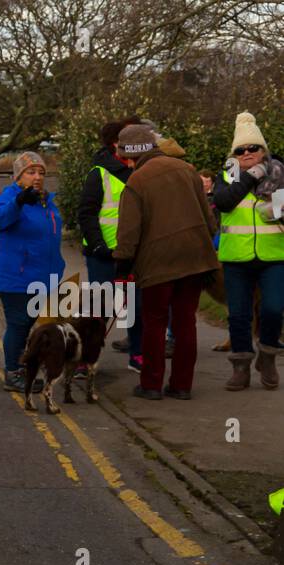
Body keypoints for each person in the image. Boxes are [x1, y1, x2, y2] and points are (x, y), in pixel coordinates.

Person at [111, 123, 219, 400]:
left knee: (155, 323)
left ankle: (152, 384)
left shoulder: (137, 180)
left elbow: (129, 231)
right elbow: (210, 222)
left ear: (126, 155)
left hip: (158, 264)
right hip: (195, 259)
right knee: (185, 323)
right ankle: (182, 385)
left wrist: (122, 263)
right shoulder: (187, 170)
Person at [210, 111, 284, 390]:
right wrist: (251, 177)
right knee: (238, 314)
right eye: (241, 150)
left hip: (274, 255)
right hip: (236, 256)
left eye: (253, 148)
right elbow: (224, 202)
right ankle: (241, 366)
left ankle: (267, 357)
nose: (247, 153)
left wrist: (278, 209)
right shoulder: (229, 174)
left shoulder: (279, 173)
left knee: (274, 309)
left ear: (263, 149)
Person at [0, 151, 65, 392]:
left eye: (41, 172)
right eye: (30, 172)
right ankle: (13, 372)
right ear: (18, 176)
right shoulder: (11, 198)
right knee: (19, 324)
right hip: (16, 277)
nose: (37, 177)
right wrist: (19, 202)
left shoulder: (45, 201)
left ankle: (24, 366)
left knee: (31, 324)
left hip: (44, 276)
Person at [80, 117, 142, 370]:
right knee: (100, 307)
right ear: (116, 143)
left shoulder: (142, 171)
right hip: (103, 254)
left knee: (137, 307)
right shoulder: (99, 173)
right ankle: (86, 358)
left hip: (136, 253)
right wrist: (98, 246)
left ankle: (138, 354)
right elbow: (86, 213)